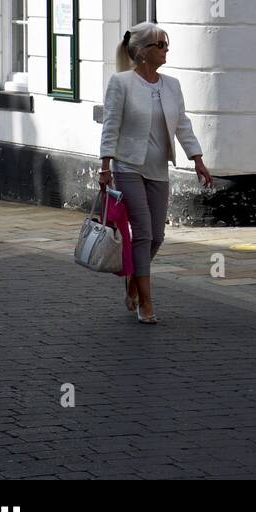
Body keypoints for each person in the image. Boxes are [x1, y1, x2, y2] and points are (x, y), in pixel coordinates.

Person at [98, 22, 213, 323]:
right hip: (128, 166)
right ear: (142, 52)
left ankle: (133, 279)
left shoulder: (172, 85)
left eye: (166, 44)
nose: (166, 50)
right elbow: (111, 125)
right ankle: (145, 303)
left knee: (157, 237)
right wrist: (105, 166)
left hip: (158, 168)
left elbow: (183, 125)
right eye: (160, 45)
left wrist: (198, 159)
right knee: (143, 232)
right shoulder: (121, 83)